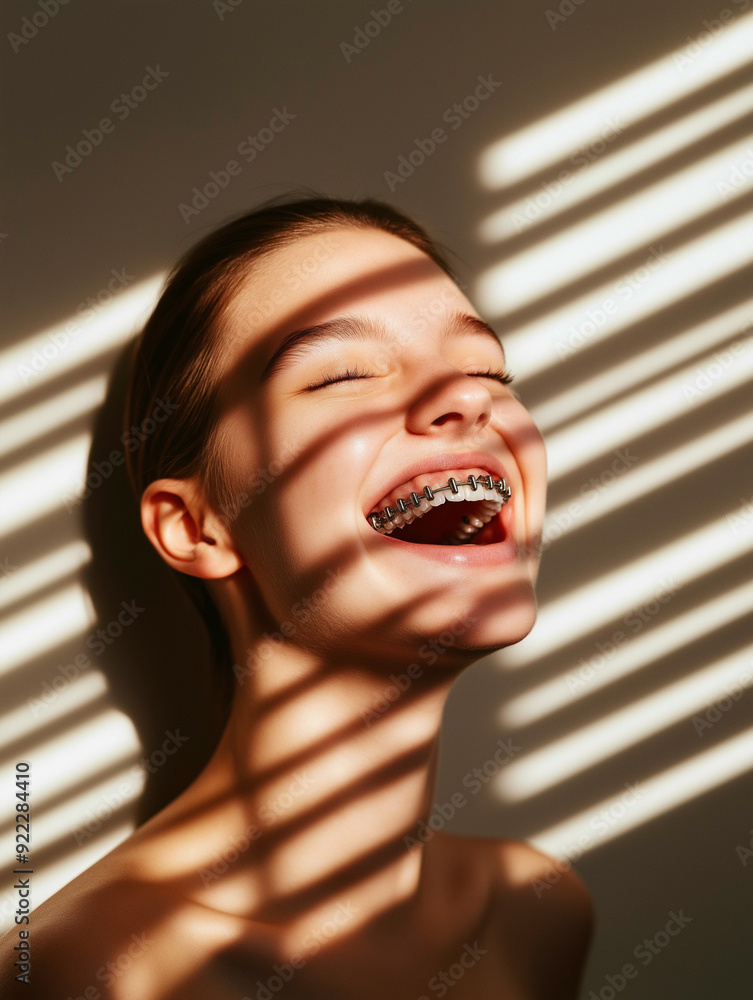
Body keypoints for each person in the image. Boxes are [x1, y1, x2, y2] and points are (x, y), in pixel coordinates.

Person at [1, 197, 593, 998]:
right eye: (344, 373)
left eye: (486, 369)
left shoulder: (536, 913)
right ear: (195, 527)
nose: (467, 399)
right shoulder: (98, 973)